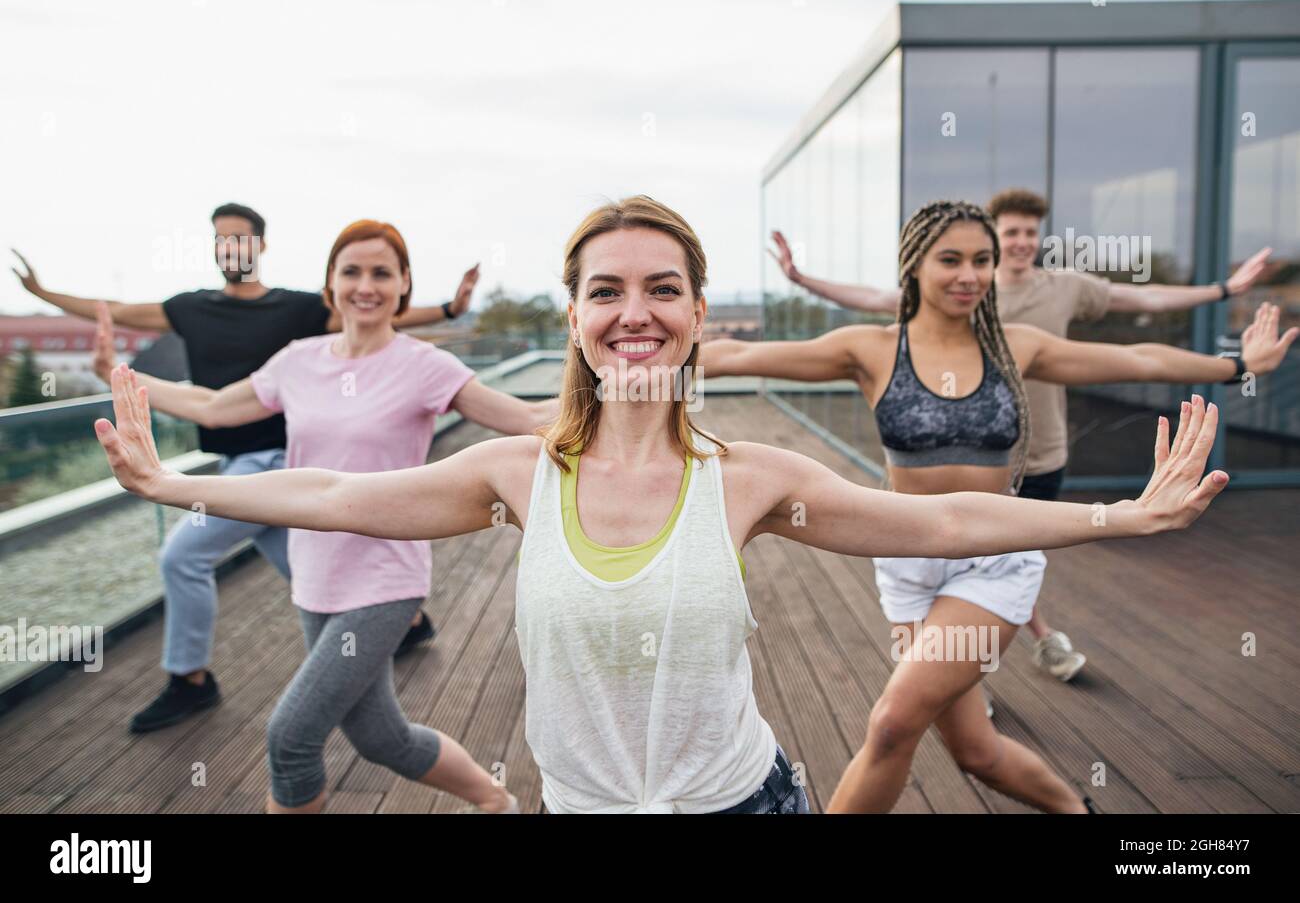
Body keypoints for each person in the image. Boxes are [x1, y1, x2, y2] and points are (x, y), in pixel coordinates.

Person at [95, 196, 1238, 814]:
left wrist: (1113, 519)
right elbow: (339, 490)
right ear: (576, 315)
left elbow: (947, 525)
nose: (632, 312)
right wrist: (173, 480)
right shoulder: (516, 474)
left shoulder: (748, 478)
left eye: (662, 289)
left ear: (697, 315)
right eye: (605, 290)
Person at [700, 199, 1293, 812]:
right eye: (950, 259)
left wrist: (1239, 365)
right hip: (907, 564)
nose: (969, 275)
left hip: (993, 559)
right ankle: (1074, 808)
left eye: (981, 260)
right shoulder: (871, 349)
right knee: (976, 751)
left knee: (891, 724)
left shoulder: (1020, 346)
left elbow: (1140, 358)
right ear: (914, 266)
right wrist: (636, 357)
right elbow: (738, 356)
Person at [94, 219, 554, 813]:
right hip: (314, 574)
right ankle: (494, 800)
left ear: (404, 284)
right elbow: (211, 404)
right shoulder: (297, 361)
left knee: (291, 738)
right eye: (352, 271)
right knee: (382, 738)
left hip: (386, 578)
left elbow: (523, 418)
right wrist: (123, 379)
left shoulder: (426, 366)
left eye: (382, 272)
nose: (366, 284)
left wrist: (626, 387)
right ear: (331, 285)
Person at [765, 188, 1275, 682]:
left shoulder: (1052, 298)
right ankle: (962, 682)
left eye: (987, 255)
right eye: (1009, 233)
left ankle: (995, 656)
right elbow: (868, 300)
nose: (971, 273)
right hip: (911, 539)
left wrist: (1234, 354)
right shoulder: (909, 323)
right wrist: (792, 285)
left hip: (1029, 463)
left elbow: (1140, 338)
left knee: (910, 703)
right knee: (949, 719)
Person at [11, 203, 480, 732]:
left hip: (284, 465)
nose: (230, 248)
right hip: (238, 465)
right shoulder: (191, 308)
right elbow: (118, 309)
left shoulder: (295, 310)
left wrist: (446, 308)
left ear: (260, 246)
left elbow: (374, 307)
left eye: (240, 239)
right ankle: (406, 621)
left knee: (182, 556)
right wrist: (42, 294)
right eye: (221, 239)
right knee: (307, 567)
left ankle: (189, 679)